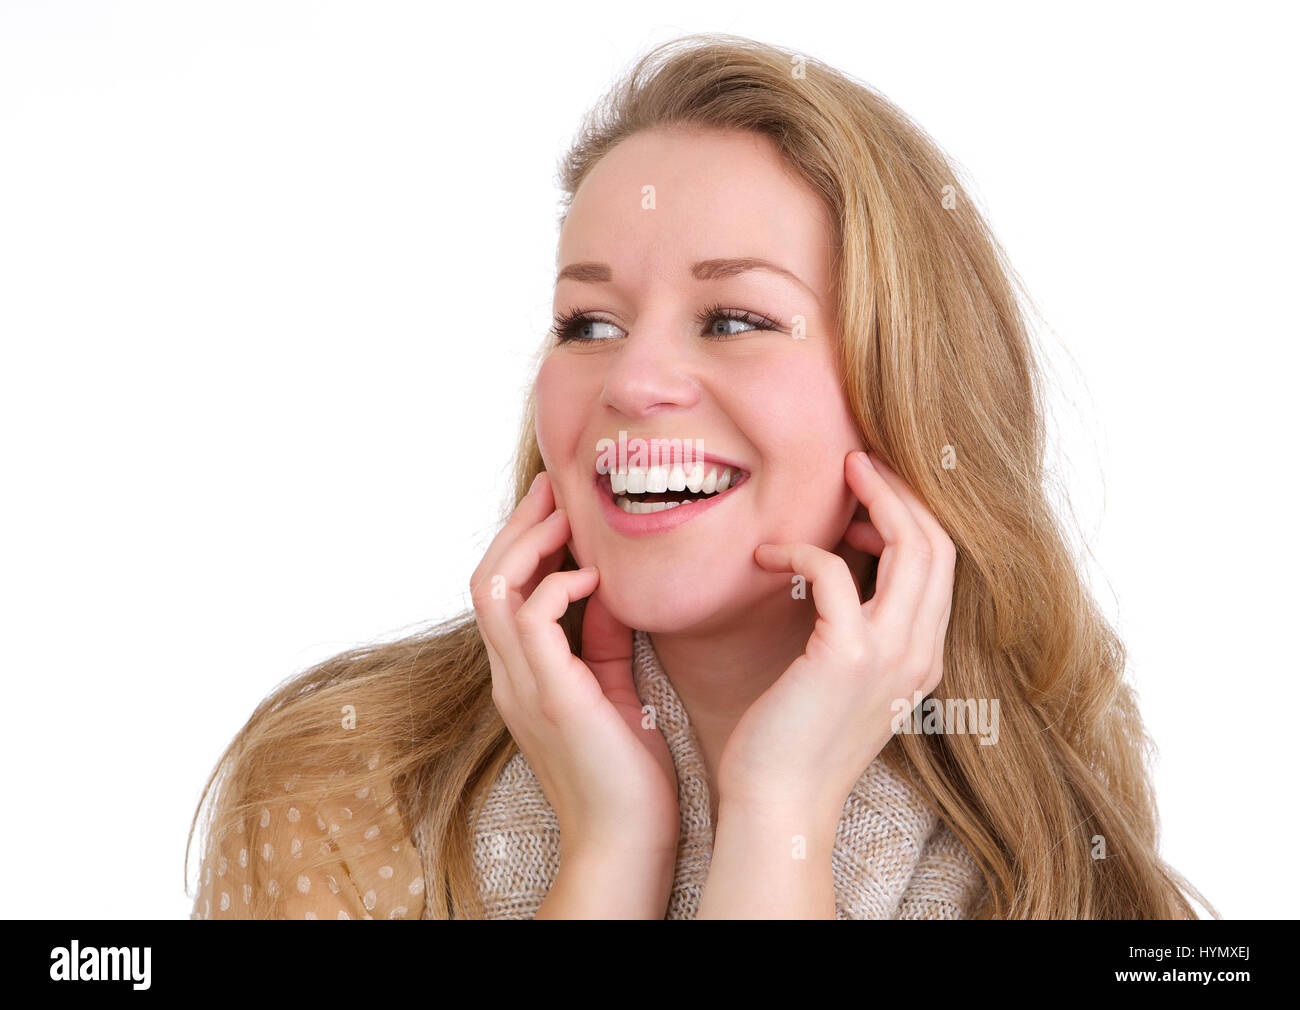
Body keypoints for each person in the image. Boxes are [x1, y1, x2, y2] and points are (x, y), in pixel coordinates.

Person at [187, 32, 1211, 920]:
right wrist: (609, 850)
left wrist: (778, 817)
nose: (632, 380)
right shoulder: (334, 782)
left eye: (733, 320)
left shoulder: (1058, 832)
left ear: (905, 392)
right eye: (589, 323)